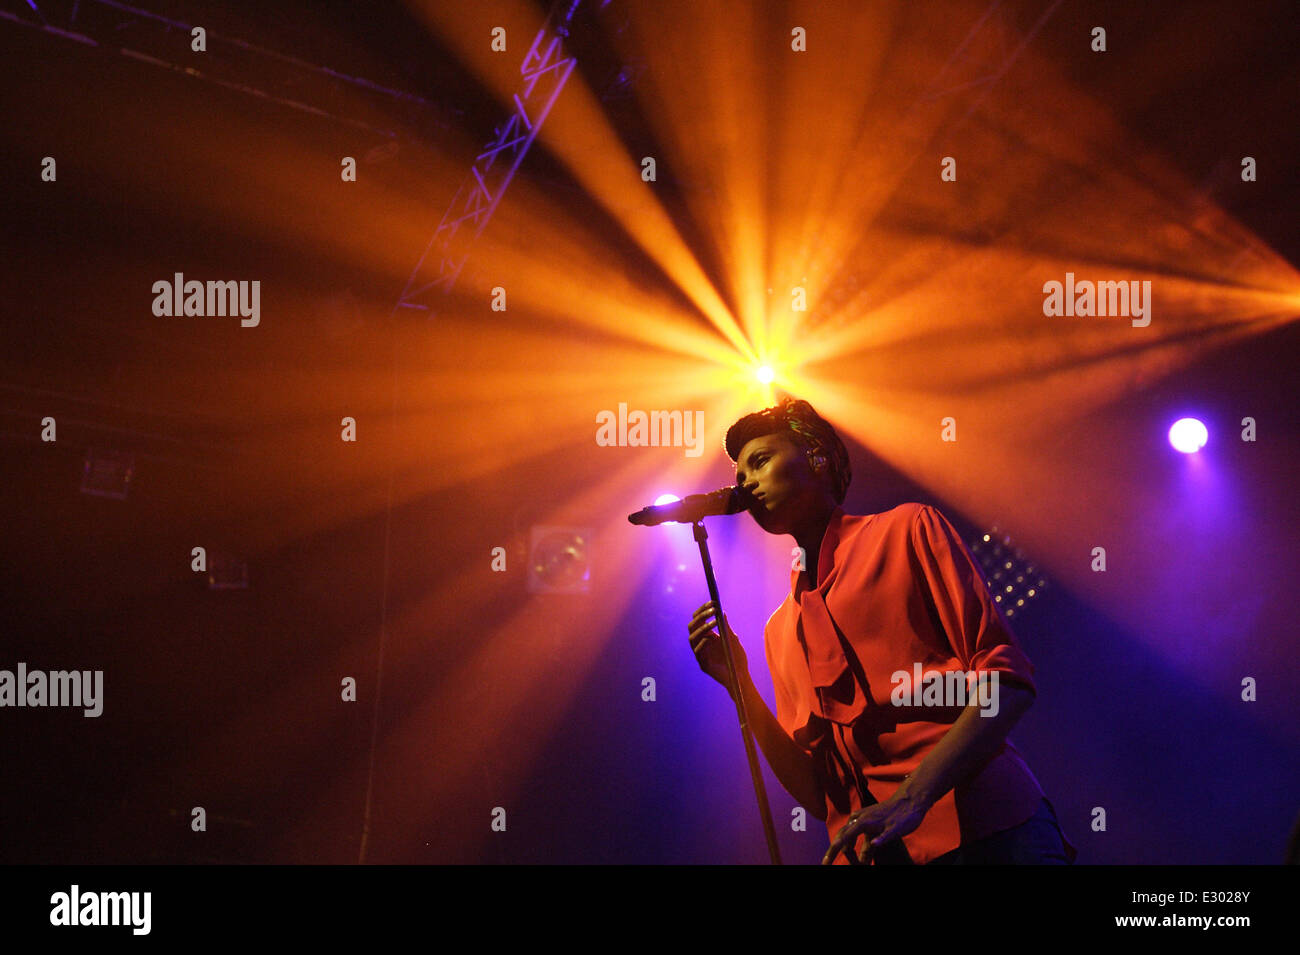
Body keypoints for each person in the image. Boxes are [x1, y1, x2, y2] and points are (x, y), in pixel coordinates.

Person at [687, 396, 1076, 865]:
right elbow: (820, 796)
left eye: (761, 461)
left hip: (987, 832)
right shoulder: (779, 630)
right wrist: (740, 686)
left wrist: (913, 797)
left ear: (818, 457)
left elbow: (1007, 684)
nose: (745, 483)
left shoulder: (907, 529)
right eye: (739, 476)